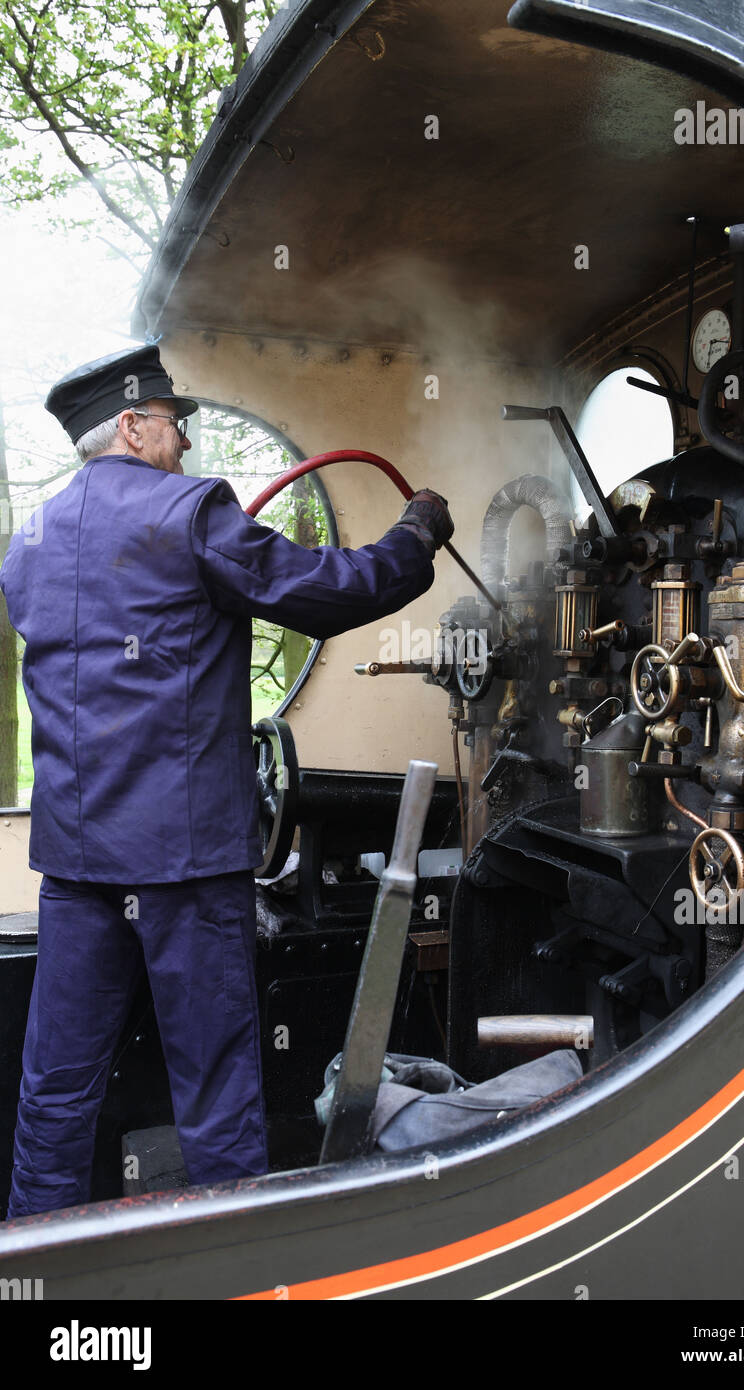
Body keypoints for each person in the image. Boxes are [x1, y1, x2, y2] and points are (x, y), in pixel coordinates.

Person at [0, 343, 453, 1218]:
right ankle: (236, 1264)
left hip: (76, 865)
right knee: (214, 1099)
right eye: (174, 426)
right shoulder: (189, 512)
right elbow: (328, 591)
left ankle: (34, 1262)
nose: (187, 447)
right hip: (184, 865)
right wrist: (414, 535)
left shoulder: (29, 541)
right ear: (132, 426)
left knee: (55, 1090)